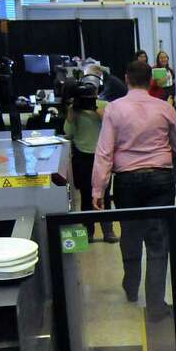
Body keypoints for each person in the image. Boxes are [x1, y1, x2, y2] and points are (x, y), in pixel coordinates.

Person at [92, 60, 176, 321]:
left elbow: (105, 151)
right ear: (150, 79)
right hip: (160, 179)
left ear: (127, 79)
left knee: (130, 235)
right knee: (158, 241)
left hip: (127, 181)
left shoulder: (114, 109)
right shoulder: (165, 109)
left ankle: (131, 286)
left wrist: (99, 189)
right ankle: (155, 304)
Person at [62, 83, 116, 242]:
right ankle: (89, 231)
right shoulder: (75, 108)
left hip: (102, 155)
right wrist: (71, 116)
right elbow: (68, 133)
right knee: (86, 195)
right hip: (82, 155)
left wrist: (97, 112)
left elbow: (113, 126)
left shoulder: (104, 106)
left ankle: (108, 230)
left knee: (105, 194)